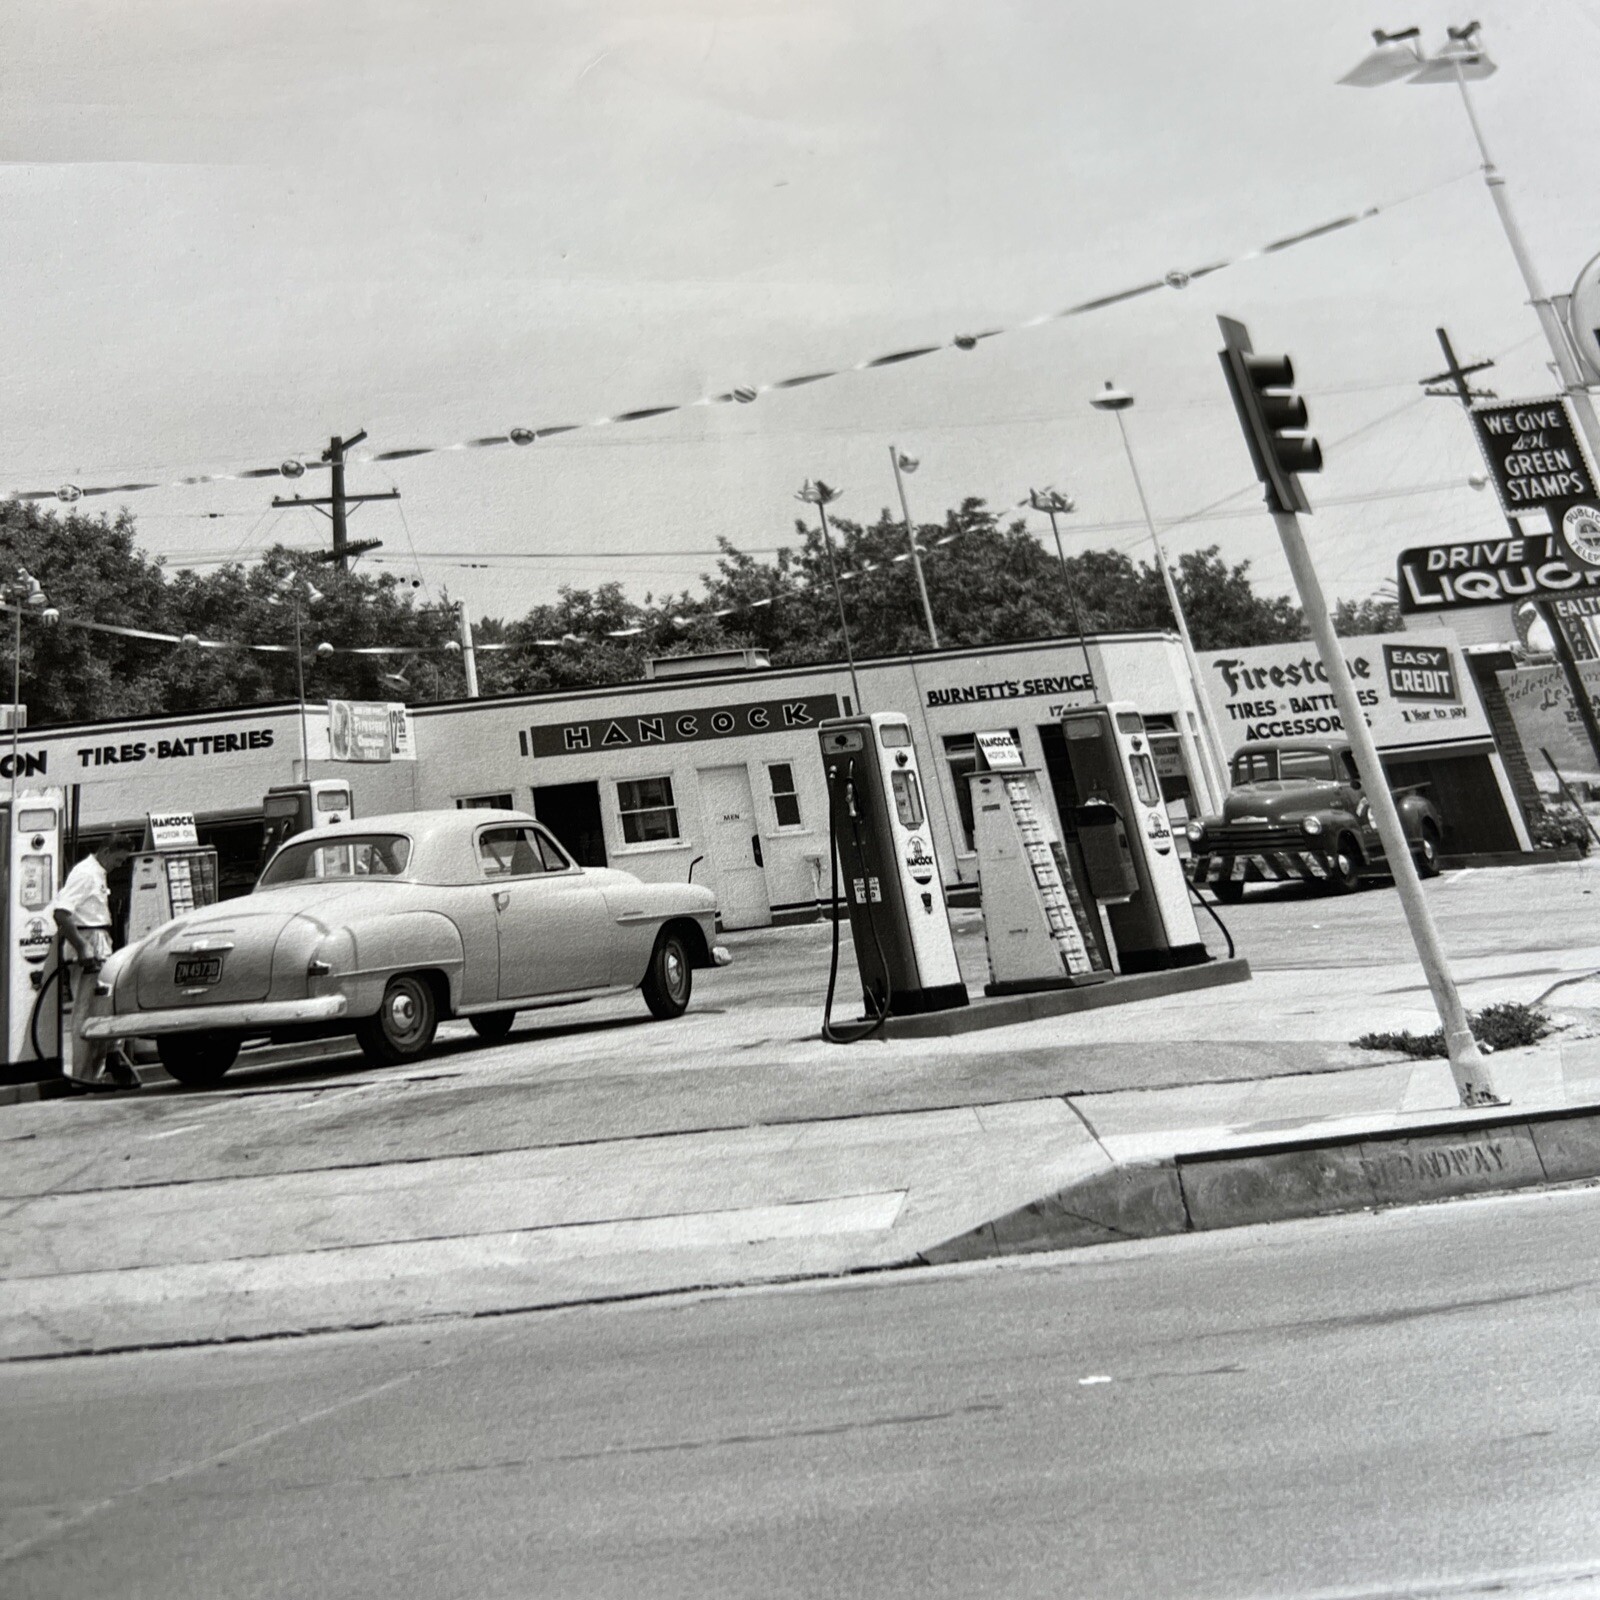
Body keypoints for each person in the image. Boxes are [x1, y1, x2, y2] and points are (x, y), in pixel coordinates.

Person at [50, 833, 140, 1091]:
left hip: (99, 939)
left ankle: (96, 1071)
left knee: (102, 1010)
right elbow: (61, 912)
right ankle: (83, 1076)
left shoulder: (96, 873)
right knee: (87, 1011)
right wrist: (82, 945)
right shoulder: (86, 873)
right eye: (118, 860)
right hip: (89, 939)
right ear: (107, 851)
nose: (118, 866)